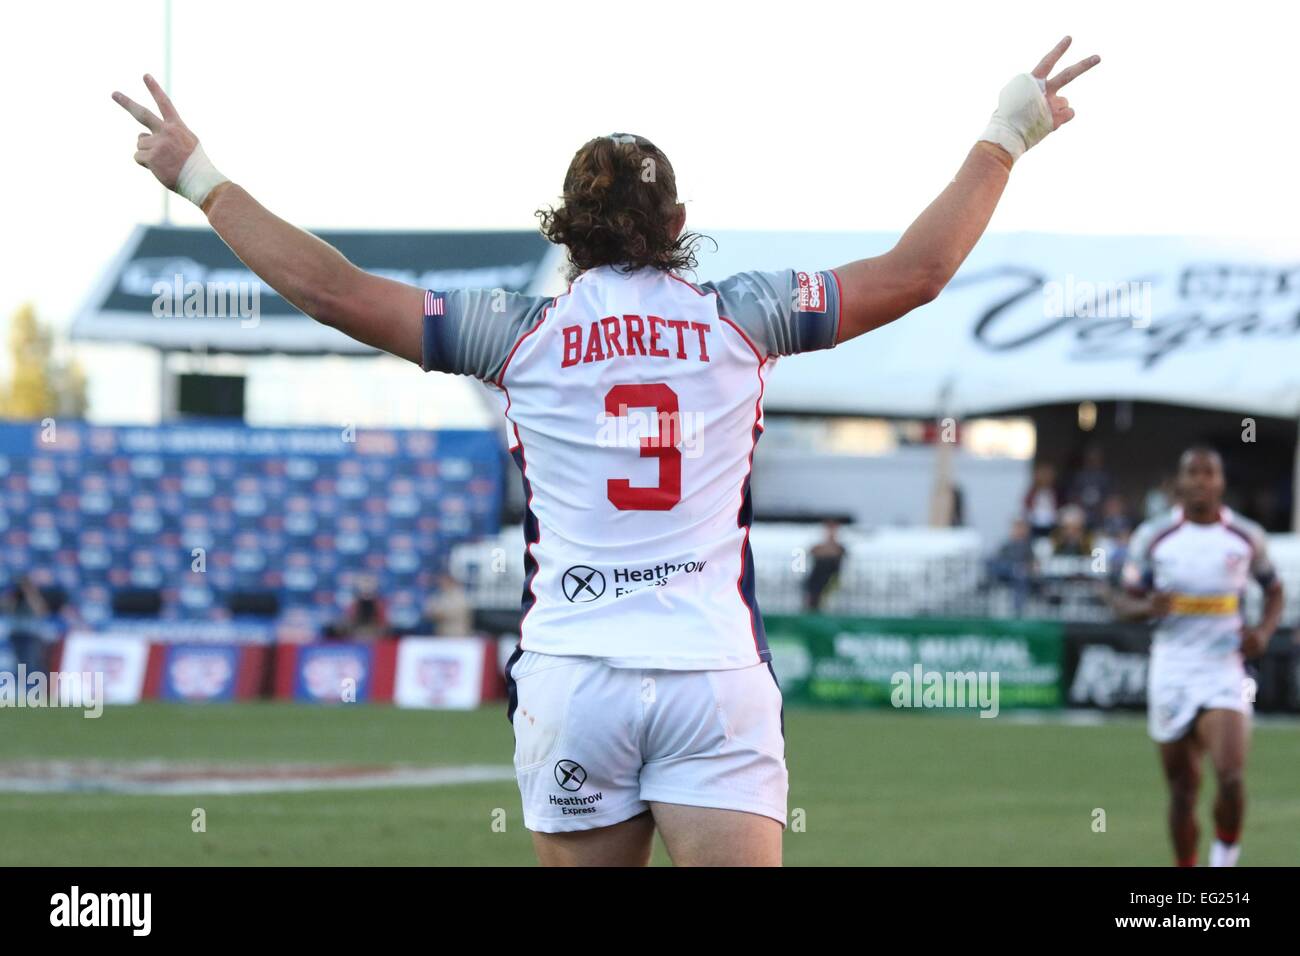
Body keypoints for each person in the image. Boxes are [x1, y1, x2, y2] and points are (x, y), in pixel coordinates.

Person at [113, 37, 1099, 867]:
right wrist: (1004, 136)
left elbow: (332, 290)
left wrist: (198, 176)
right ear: (677, 224)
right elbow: (919, 272)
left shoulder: (514, 332)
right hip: (711, 673)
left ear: (565, 229)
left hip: (574, 673)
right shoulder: (744, 317)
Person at [1113, 447, 1284, 867]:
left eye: (1210, 473)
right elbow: (1121, 599)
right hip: (1172, 668)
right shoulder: (1154, 537)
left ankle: (1223, 863)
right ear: (1180, 482)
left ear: (1221, 483)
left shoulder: (1245, 537)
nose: (1201, 481)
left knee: (1230, 774)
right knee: (1182, 791)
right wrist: (1146, 607)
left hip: (1224, 668)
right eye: (1193, 473)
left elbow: (1275, 589)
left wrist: (1262, 631)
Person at [802, 521, 847, 611]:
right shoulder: (818, 547)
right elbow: (810, 552)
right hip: (817, 578)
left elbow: (837, 553)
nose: (830, 533)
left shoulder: (839, 548)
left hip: (830, 579)